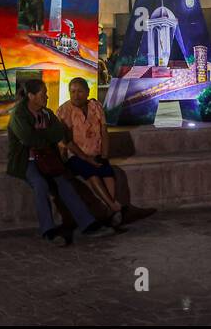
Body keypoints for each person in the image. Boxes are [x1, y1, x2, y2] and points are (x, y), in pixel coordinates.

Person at [7, 79, 115, 245]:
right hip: (26, 161)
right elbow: (29, 139)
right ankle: (48, 231)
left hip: (48, 160)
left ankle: (88, 224)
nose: (47, 97)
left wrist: (85, 158)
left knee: (65, 183)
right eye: (43, 94)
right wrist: (47, 137)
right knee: (40, 184)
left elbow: (61, 136)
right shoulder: (18, 115)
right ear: (31, 96)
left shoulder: (47, 114)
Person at [56, 77, 124, 225]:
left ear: (87, 92)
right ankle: (113, 207)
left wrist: (104, 155)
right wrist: (86, 158)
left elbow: (104, 131)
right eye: (72, 91)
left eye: (80, 91)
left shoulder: (96, 106)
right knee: (91, 172)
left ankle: (109, 211)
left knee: (108, 172)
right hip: (75, 155)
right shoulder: (63, 111)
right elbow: (68, 142)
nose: (76, 95)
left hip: (96, 152)